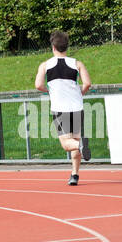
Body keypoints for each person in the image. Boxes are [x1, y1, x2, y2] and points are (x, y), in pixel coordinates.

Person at [35, 32, 92, 186]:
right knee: (75, 139)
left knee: (67, 144)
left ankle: (80, 146)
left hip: (61, 108)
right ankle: (75, 174)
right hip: (77, 107)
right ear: (67, 47)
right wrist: (80, 93)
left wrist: (50, 91)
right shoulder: (77, 63)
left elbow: (38, 85)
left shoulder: (45, 65)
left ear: (53, 47)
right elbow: (87, 83)